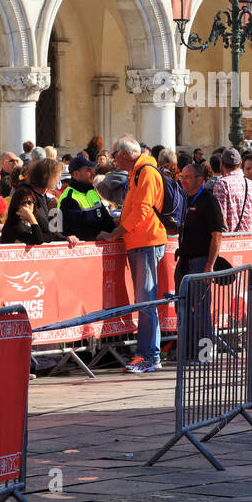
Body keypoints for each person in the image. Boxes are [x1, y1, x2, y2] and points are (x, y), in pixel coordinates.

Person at [98, 136, 168, 373]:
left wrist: (115, 232)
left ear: (125, 154)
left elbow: (142, 211)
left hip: (146, 242)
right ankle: (150, 355)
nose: (113, 159)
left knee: (146, 302)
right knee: (145, 302)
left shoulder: (145, 172)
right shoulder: (138, 172)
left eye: (115, 154)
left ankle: (147, 356)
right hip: (141, 242)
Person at [0, 159, 80, 246]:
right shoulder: (25, 194)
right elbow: (36, 236)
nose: (59, 179)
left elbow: (50, 231)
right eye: (57, 176)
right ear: (49, 177)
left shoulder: (42, 195)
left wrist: (65, 238)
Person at [58, 154, 115, 241]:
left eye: (93, 169)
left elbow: (106, 220)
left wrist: (117, 223)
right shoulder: (69, 198)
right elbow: (77, 229)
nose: (93, 172)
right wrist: (96, 236)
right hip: (78, 251)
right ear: (76, 174)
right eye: (89, 170)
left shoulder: (92, 192)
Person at [212, 147, 252, 232]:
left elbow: (220, 218)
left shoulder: (221, 184)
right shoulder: (251, 185)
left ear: (221, 164)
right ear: (240, 164)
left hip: (230, 240)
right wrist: (248, 231)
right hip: (247, 240)